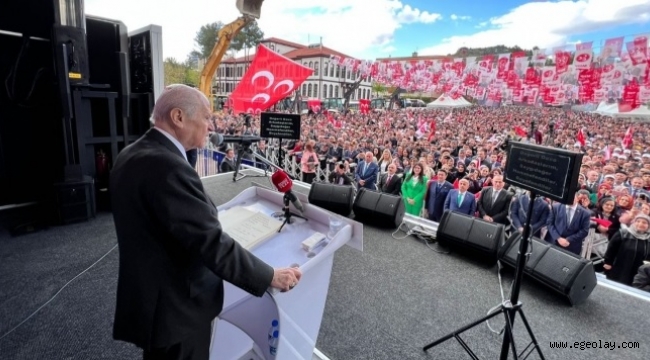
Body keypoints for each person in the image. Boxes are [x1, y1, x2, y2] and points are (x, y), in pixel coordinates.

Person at [110, 84, 301, 360]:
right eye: (206, 117)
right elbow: (210, 243)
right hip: (176, 311)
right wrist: (270, 276)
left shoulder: (133, 153)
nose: (210, 125)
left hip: (152, 299)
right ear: (178, 117)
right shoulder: (166, 167)